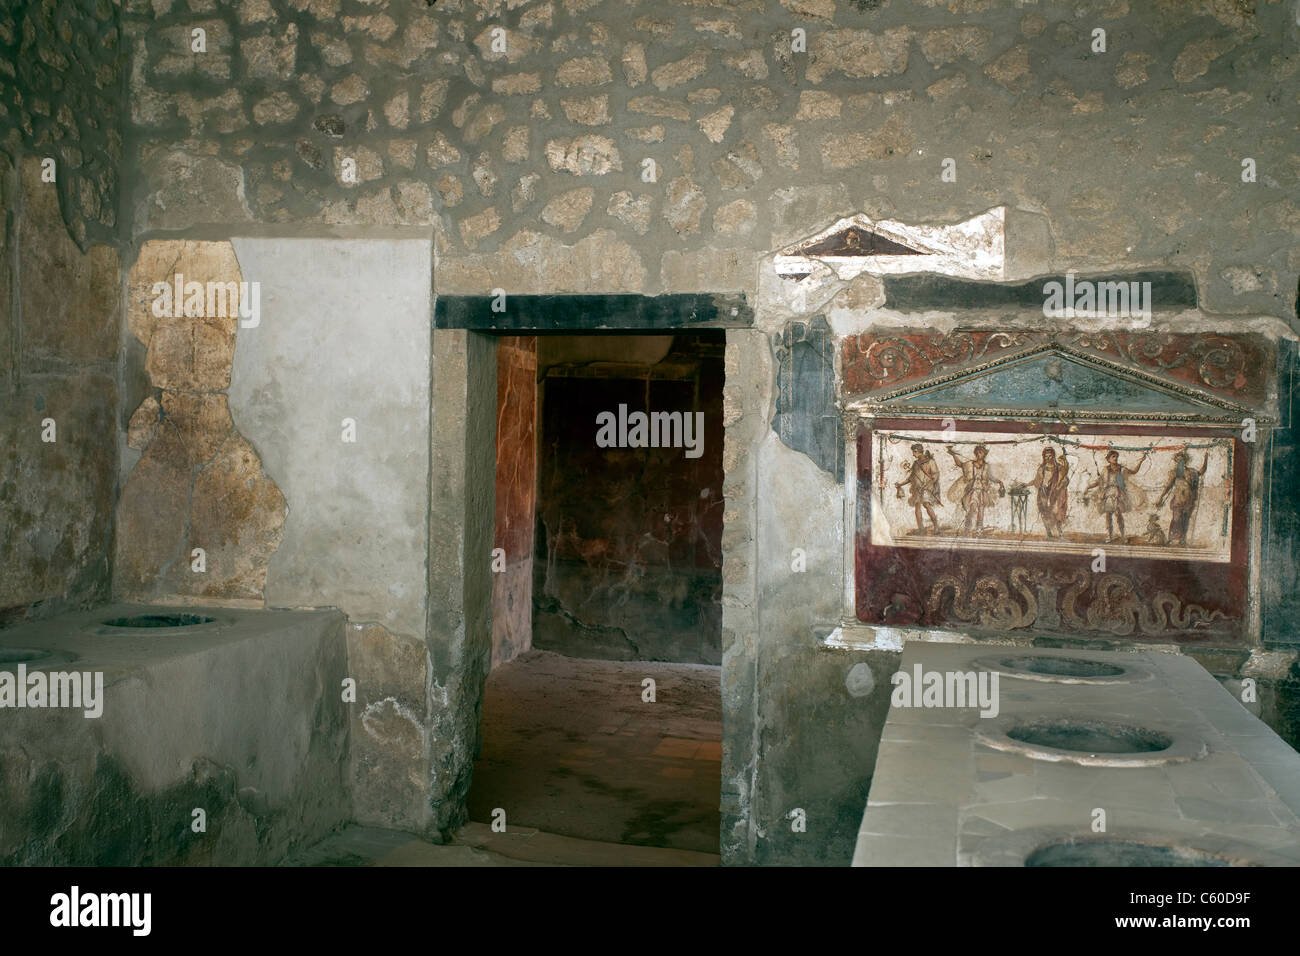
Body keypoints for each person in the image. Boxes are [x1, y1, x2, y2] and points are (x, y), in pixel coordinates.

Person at [1083, 448, 1148, 543]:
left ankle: (1123, 536)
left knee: (1118, 514)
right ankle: (1109, 536)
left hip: (1118, 493)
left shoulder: (1121, 468)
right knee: (1108, 515)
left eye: (1116, 457)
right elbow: (1099, 481)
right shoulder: (1106, 469)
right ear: (1108, 459)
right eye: (1113, 457)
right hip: (1108, 493)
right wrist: (1089, 486)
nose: (1115, 458)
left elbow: (1133, 471)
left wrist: (1141, 461)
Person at [946, 444, 1005, 535]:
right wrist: (954, 455)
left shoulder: (986, 466)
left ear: (984, 454)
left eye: (980, 453)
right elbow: (960, 464)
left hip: (982, 491)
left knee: (981, 510)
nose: (978, 454)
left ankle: (979, 530)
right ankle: (967, 528)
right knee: (972, 509)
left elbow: (990, 477)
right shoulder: (970, 464)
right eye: (976, 453)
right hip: (972, 491)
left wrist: (999, 482)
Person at [1157, 446, 1208, 546]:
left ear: (1185, 461)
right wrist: (1161, 497)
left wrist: (1206, 459)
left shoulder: (1192, 472)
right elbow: (1168, 486)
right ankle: (1171, 538)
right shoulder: (1175, 472)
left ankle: (1182, 539)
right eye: (1178, 460)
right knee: (1176, 519)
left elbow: (1201, 471)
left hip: (1189, 500)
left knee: (1185, 520)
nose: (1180, 461)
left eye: (1182, 460)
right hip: (1178, 499)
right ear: (1176, 461)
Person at [896, 443, 941, 535]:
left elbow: (935, 475)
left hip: (926, 489)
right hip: (917, 489)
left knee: (927, 505)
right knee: (917, 506)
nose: (913, 454)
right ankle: (921, 529)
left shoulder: (930, 462)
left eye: (914, 452)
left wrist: (928, 484)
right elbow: (911, 478)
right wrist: (900, 484)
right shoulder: (916, 463)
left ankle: (936, 526)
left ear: (918, 451)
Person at [1028, 445, 1069, 538]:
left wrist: (1060, 485)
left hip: (1055, 493)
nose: (1048, 458)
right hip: (1043, 492)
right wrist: (1027, 484)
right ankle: (1049, 533)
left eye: (1050, 456)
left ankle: (1060, 532)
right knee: (1044, 512)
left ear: (1053, 456)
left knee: (1057, 512)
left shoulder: (1059, 467)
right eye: (1046, 456)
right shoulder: (1041, 468)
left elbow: (1065, 479)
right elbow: (1036, 481)